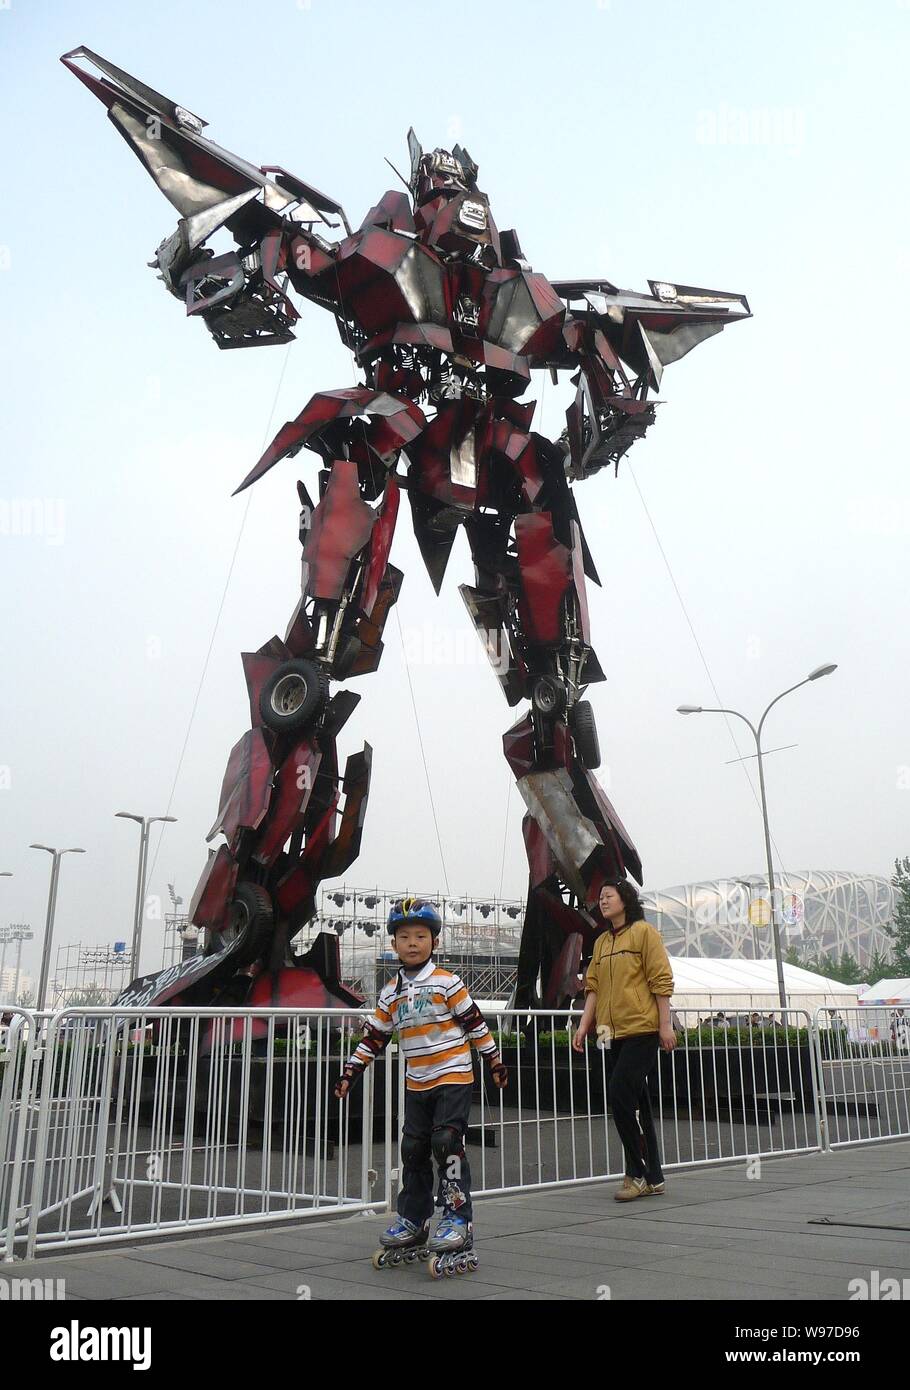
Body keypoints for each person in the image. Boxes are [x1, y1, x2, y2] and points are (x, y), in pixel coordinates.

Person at [335, 897, 508, 1266]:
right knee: (412, 1149)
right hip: (418, 1082)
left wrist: (493, 1060)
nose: (412, 943)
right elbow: (374, 1038)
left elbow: (475, 1023)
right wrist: (351, 1070)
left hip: (453, 1076)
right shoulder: (390, 994)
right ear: (393, 944)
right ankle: (414, 1218)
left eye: (420, 936)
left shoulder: (448, 983)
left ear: (435, 942)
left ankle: (458, 1218)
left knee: (447, 1143)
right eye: (404, 936)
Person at [572, 879, 675, 1202]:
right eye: (600, 897)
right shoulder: (601, 942)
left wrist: (665, 1025)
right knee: (637, 1102)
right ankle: (654, 1176)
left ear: (625, 900)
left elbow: (660, 980)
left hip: (641, 1030)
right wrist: (583, 1025)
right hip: (609, 1033)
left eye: (608, 896)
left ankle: (637, 1173)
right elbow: (594, 987)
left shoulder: (644, 933)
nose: (602, 902)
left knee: (619, 1095)